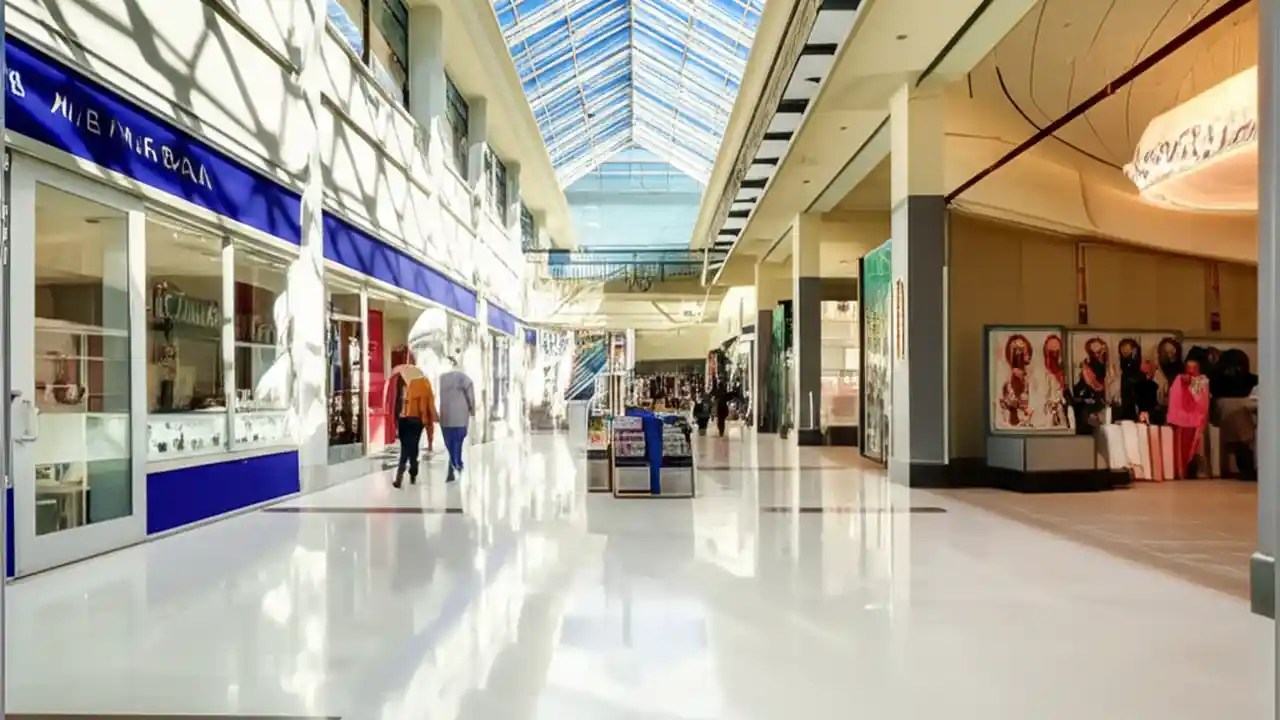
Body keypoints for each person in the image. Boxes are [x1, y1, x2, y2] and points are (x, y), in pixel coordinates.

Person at [393, 368, 435, 489]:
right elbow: (429, 405)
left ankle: (399, 477)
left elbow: (403, 406)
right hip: (418, 420)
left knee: (405, 447)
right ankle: (413, 470)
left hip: (406, 420)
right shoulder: (426, 385)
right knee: (413, 446)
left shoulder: (409, 384)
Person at [437, 355, 475, 483]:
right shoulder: (463, 378)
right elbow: (470, 395)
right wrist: (472, 408)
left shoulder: (443, 378)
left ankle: (453, 469)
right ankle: (457, 465)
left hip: (447, 418)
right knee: (456, 444)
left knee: (451, 445)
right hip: (457, 418)